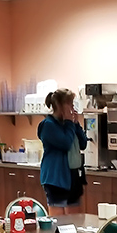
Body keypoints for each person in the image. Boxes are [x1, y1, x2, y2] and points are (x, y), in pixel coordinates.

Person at [38, 88, 88, 216]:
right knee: (59, 222)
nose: (72, 107)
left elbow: (83, 144)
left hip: (74, 176)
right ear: (59, 105)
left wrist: (76, 125)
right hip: (56, 177)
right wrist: (69, 123)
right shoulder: (48, 125)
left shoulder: (70, 124)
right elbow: (65, 143)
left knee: (76, 219)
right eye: (69, 104)